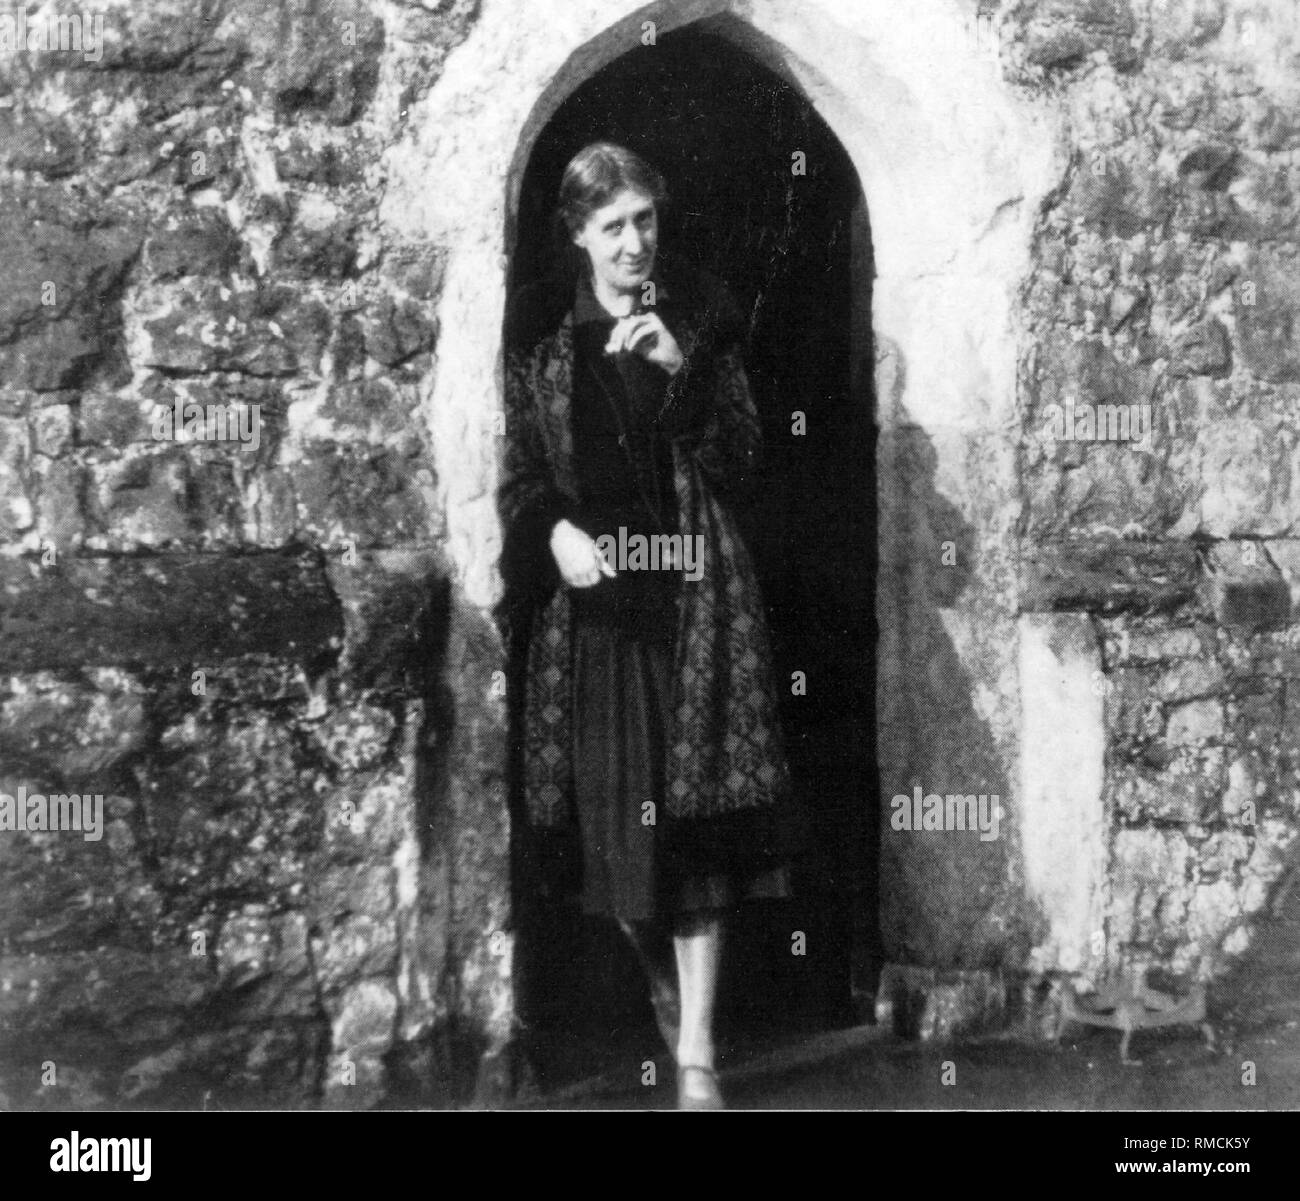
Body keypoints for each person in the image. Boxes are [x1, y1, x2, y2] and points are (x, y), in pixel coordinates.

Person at [500, 142, 794, 1110]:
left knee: (698, 840)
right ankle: (665, 992)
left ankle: (698, 1053)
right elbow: (520, 480)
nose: (634, 243)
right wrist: (554, 535)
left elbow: (747, 457)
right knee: (616, 845)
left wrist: (685, 370)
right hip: (595, 621)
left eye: (645, 221)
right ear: (579, 235)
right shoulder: (543, 352)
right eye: (613, 225)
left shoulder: (697, 322)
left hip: (694, 604)